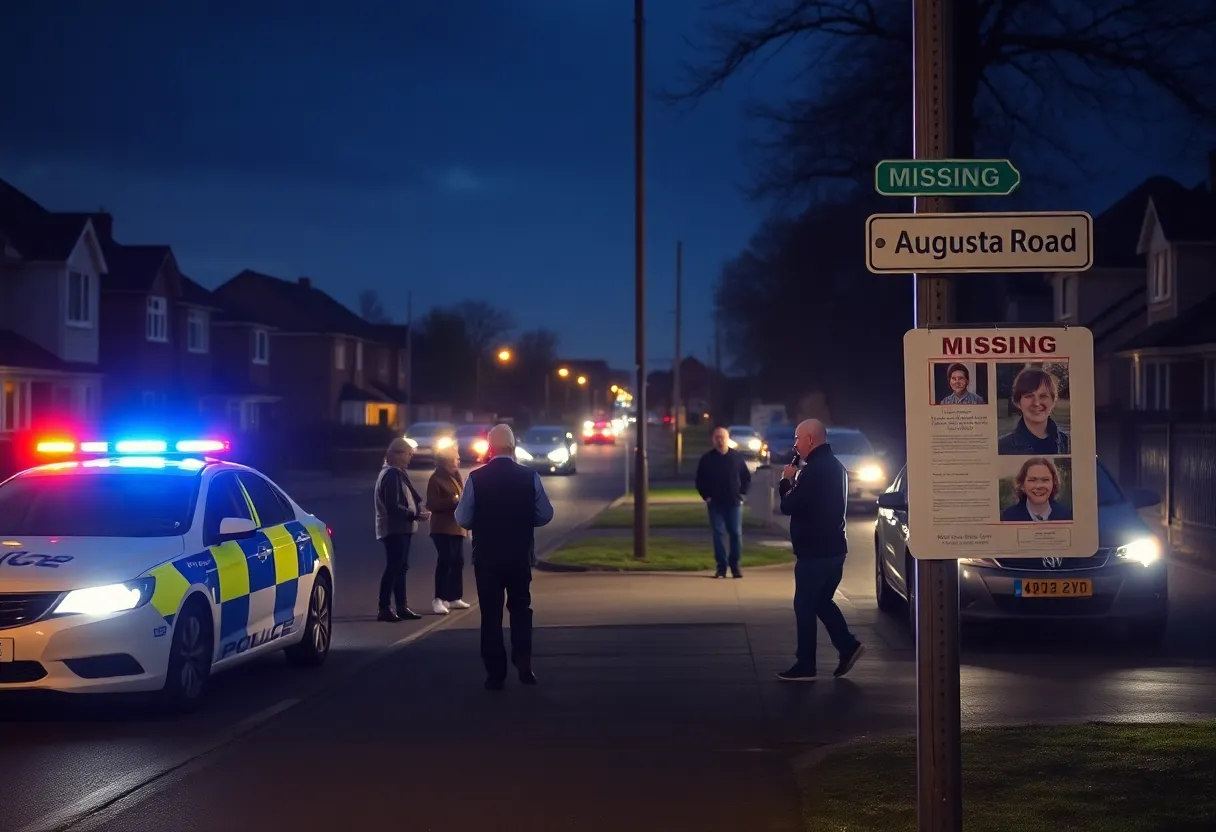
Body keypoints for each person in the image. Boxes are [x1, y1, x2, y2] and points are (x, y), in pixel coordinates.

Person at [455, 424, 554, 691]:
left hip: (486, 556)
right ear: (512, 447)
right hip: (519, 554)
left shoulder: (476, 478)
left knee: (491, 615)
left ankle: (495, 673)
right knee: (521, 608)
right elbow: (545, 514)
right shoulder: (529, 476)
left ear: (490, 447)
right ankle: (523, 659)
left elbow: (462, 517)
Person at [775, 419, 864, 682]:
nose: (795, 444)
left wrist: (786, 482)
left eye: (797, 438)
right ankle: (848, 646)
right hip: (835, 549)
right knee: (822, 602)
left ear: (810, 439)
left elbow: (790, 506)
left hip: (815, 552)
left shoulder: (813, 471)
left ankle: (806, 665)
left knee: (804, 606)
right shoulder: (836, 466)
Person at [374, 437, 430, 622]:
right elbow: (392, 505)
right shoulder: (391, 474)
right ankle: (384, 607)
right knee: (394, 567)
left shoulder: (396, 473)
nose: (410, 457)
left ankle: (401, 605)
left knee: (400, 567)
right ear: (397, 455)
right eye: (408, 454)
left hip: (401, 527)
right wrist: (414, 514)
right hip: (394, 528)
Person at [695, 426, 753, 578]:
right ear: (713, 440)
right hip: (715, 503)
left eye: (722, 437)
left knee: (735, 533)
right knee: (718, 533)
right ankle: (721, 567)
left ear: (728, 439)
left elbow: (746, 477)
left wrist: (742, 493)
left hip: (734, 502)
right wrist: (706, 496)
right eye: (717, 437)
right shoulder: (707, 458)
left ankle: (735, 566)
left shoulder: (736, 457)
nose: (720, 440)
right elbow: (700, 480)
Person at [426, 445, 472, 614]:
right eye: (456, 458)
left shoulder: (457, 476)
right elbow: (431, 504)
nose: (458, 461)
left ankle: (454, 597)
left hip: (458, 527)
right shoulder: (436, 479)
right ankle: (439, 598)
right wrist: (451, 502)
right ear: (446, 461)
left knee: (458, 561)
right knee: (445, 560)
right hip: (442, 527)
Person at [997, 367, 1071, 454]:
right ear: (1017, 402)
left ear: (1053, 401)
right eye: (1029, 396)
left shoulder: (1069, 443)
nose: (1036, 403)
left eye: (1043, 396)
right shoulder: (1002, 447)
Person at [1000, 457, 1073, 522]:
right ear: (1022, 485)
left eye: (1045, 480)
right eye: (1032, 480)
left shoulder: (1067, 515)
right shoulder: (1008, 517)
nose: (1038, 486)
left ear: (1054, 483)